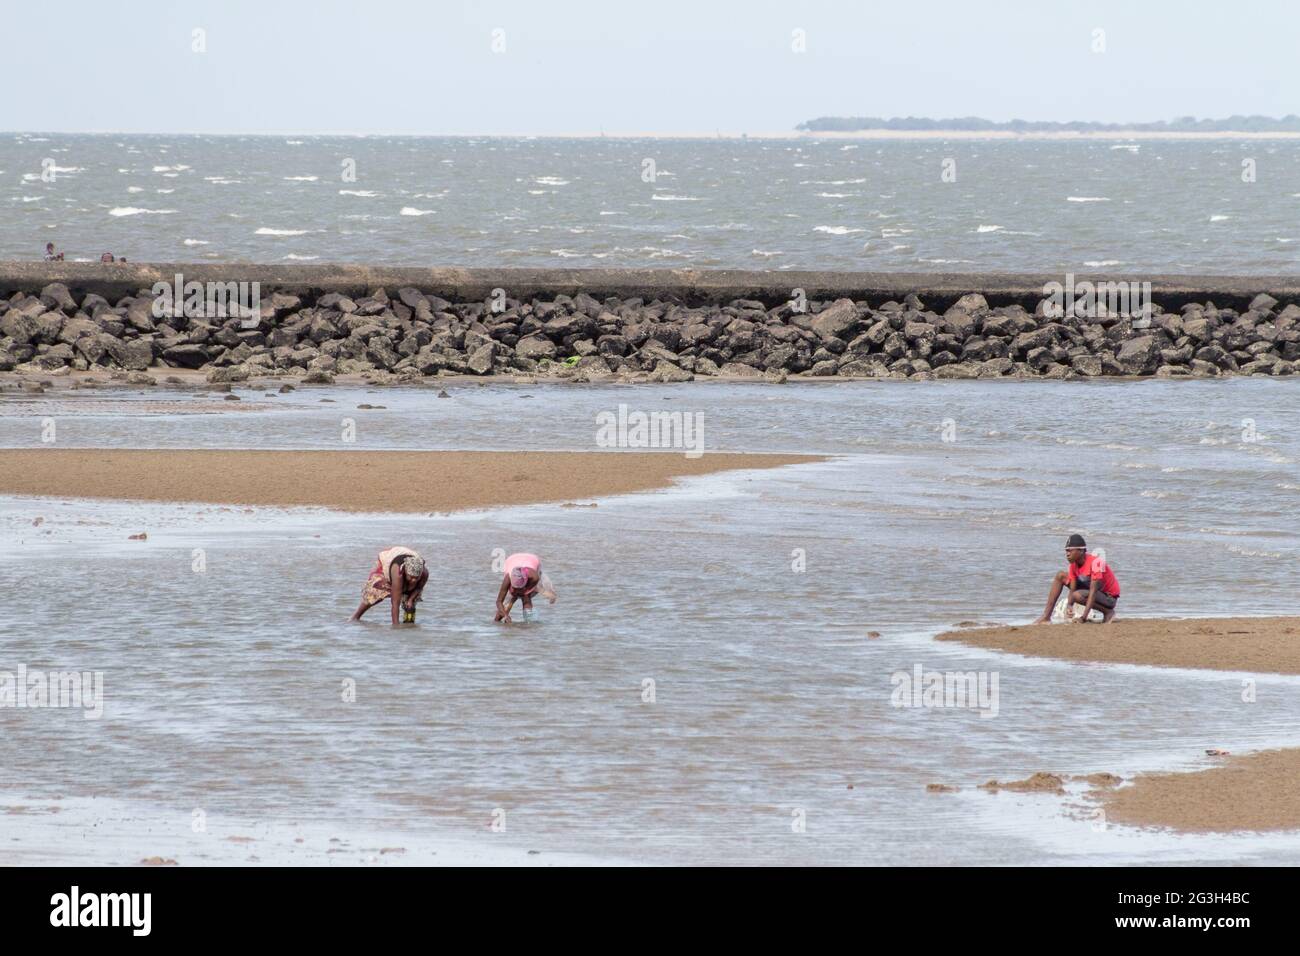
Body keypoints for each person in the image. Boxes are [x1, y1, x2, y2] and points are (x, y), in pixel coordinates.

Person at [1035, 533, 1120, 624]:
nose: (1067, 554)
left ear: (1081, 551)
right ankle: (1046, 616)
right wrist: (1069, 605)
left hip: (1109, 597)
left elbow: (1093, 591)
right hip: (1091, 590)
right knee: (1060, 576)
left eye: (1070, 551)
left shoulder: (1095, 562)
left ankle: (1108, 612)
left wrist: (1083, 618)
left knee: (1077, 595)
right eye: (1066, 551)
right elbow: (1073, 588)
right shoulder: (1073, 565)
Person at [351, 546, 428, 625]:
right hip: (389, 559)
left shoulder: (424, 573)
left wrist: (410, 600)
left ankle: (409, 624)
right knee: (376, 593)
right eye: (411, 577)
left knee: (411, 602)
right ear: (405, 572)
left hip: (408, 559)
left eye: (416, 578)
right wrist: (396, 626)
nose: (414, 580)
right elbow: (395, 603)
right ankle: (355, 617)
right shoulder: (398, 574)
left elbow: (419, 587)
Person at [494, 552, 556, 623]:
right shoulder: (508, 578)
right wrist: (505, 615)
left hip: (532, 560)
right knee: (505, 606)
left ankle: (528, 626)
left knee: (526, 597)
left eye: (520, 588)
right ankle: (496, 623)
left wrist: (525, 593)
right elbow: (499, 601)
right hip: (512, 559)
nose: (518, 590)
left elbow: (532, 589)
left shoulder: (534, 577)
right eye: (515, 588)